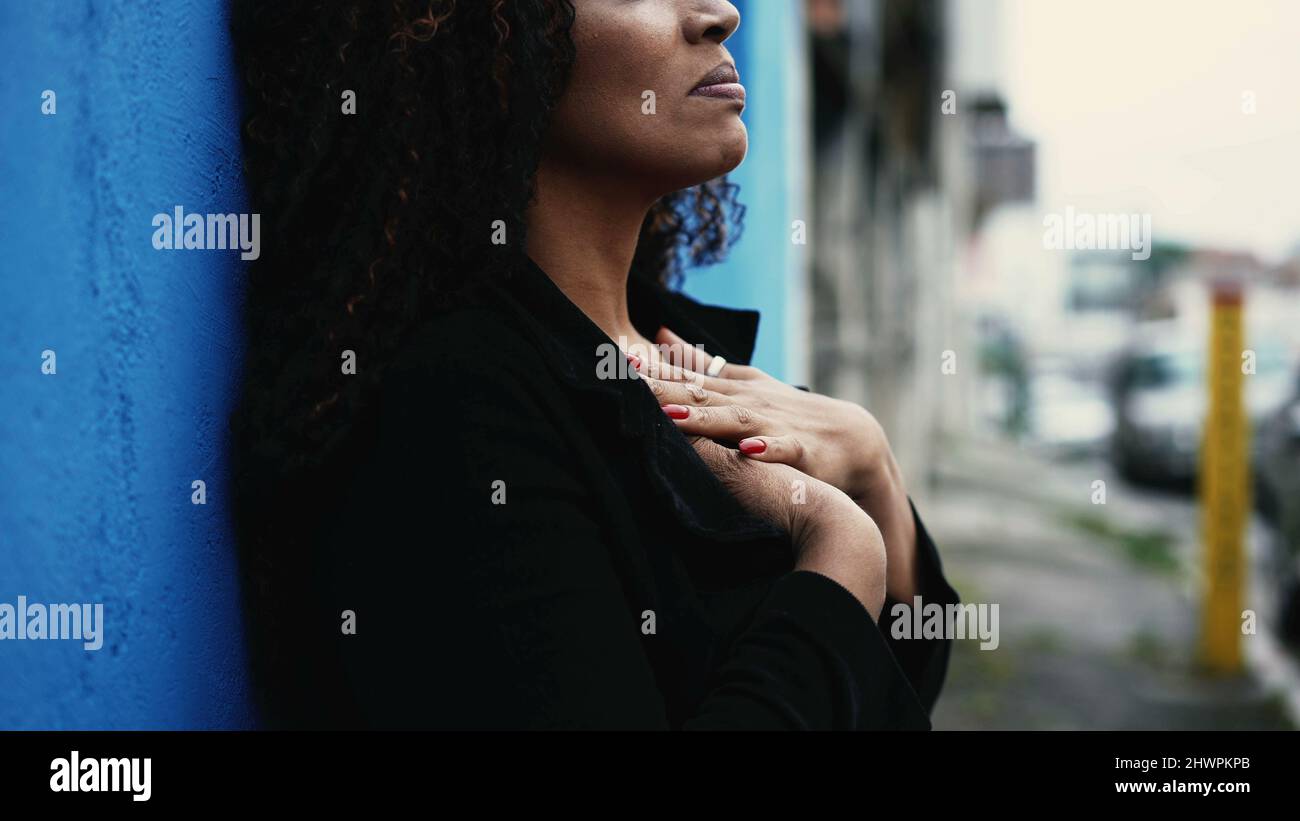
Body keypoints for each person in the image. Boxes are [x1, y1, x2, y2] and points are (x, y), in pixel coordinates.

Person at [231, 0, 959, 730]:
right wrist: (844, 548)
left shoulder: (680, 352)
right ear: (487, 32)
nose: (720, 14)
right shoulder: (458, 404)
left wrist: (875, 475)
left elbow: (885, 693)